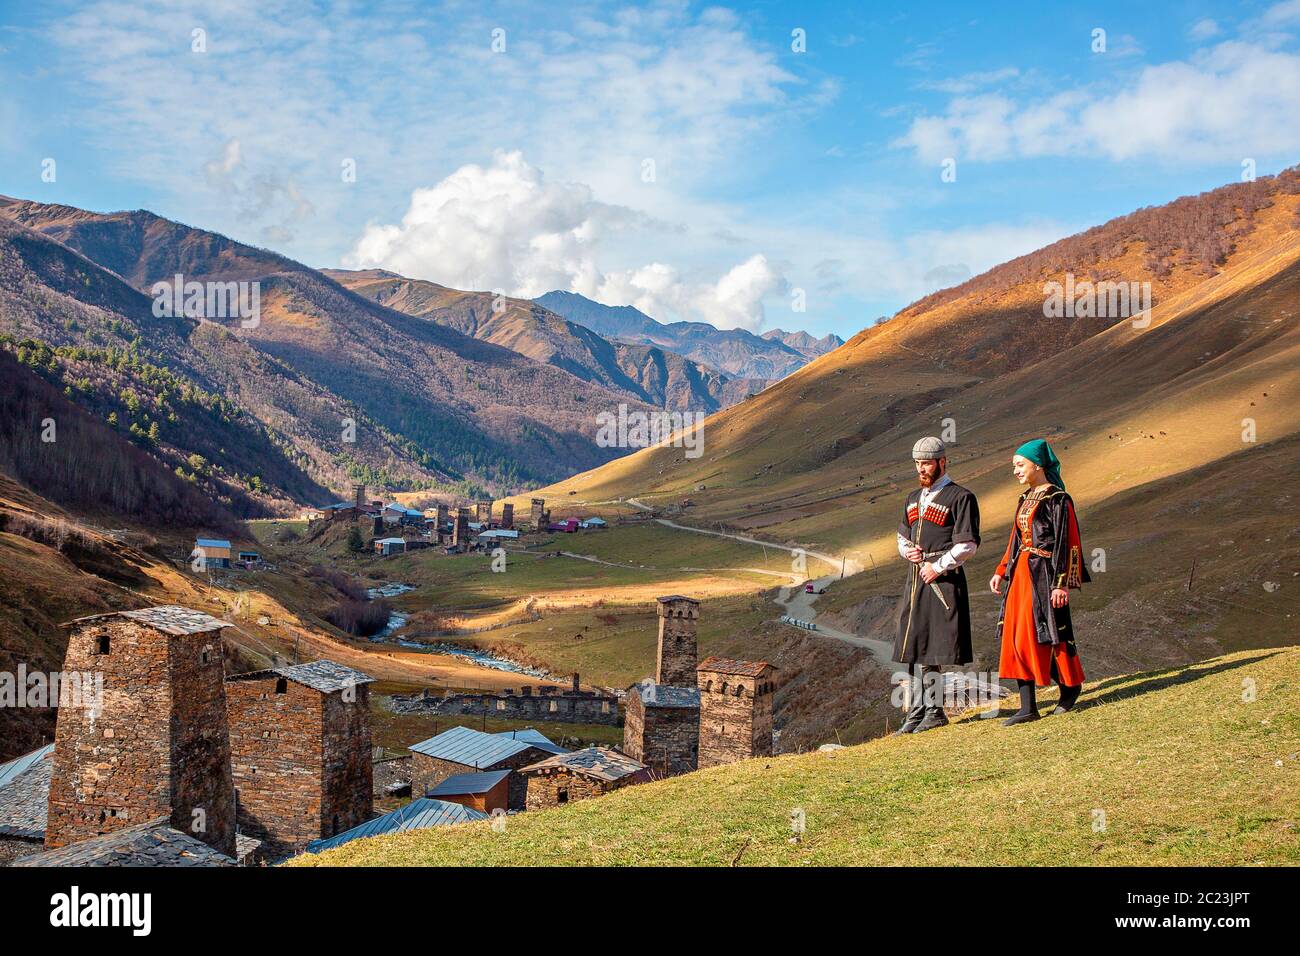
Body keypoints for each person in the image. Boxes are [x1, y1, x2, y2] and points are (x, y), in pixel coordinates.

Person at [990, 439, 1088, 725]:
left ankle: (1070, 687)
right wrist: (1001, 570)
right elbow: (1016, 540)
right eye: (1014, 466)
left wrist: (1062, 583)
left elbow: (1070, 543)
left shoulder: (1059, 499)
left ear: (1038, 465)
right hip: (1021, 574)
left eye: (1020, 465)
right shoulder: (1024, 499)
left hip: (1045, 576)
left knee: (1052, 633)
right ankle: (1027, 706)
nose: (1016, 471)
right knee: (1018, 635)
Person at [893, 436, 980, 733]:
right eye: (918, 463)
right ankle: (918, 711)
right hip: (916, 577)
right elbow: (902, 538)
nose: (921, 469)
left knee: (932, 646)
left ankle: (935, 711)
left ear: (942, 462)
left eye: (926, 463)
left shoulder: (960, 497)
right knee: (915, 643)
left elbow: (968, 545)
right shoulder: (912, 498)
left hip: (942, 580)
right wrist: (909, 552)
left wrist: (938, 566)